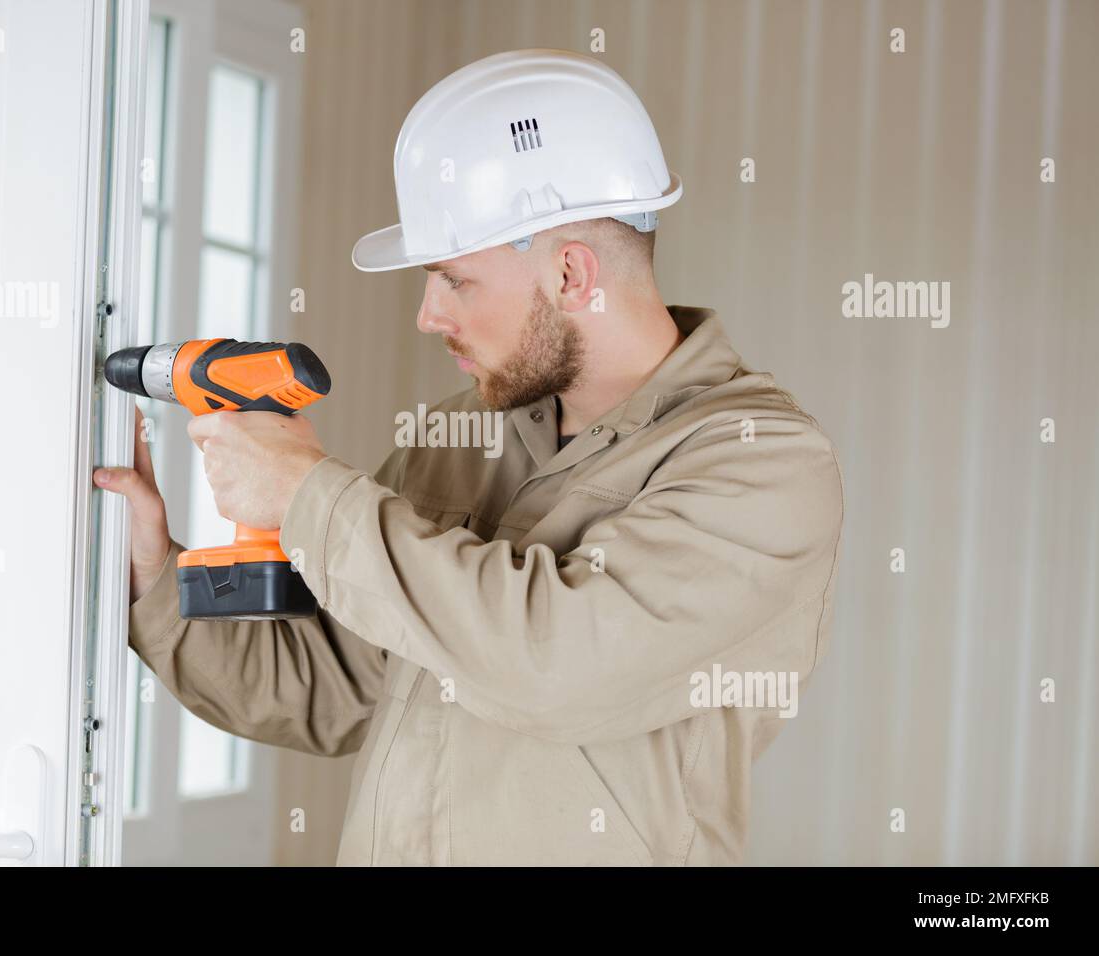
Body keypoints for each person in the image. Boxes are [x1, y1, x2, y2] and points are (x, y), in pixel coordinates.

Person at [93, 49, 844, 865]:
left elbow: (558, 664)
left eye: (454, 280)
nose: (428, 315)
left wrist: (310, 495)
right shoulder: (459, 439)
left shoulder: (762, 465)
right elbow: (323, 684)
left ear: (571, 273)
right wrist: (152, 574)